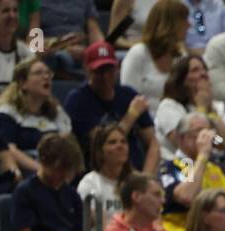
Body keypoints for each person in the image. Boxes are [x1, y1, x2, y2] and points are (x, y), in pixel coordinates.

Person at [65, 40, 160, 175]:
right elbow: (103, 143)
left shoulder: (128, 94)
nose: (104, 77)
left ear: (117, 69)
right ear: (87, 71)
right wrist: (131, 115)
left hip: (136, 173)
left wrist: (146, 176)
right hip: (100, 175)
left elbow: (153, 143)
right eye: (99, 71)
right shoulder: (78, 100)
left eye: (109, 70)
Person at [12, 133, 86, 231]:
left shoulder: (70, 193)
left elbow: (81, 230)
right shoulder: (26, 191)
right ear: (44, 162)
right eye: (59, 169)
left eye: (68, 169)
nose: (64, 175)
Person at [159, 113, 225, 231]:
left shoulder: (216, 168)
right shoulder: (173, 166)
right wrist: (203, 154)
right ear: (181, 138)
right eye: (199, 132)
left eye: (208, 131)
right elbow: (186, 196)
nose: (206, 137)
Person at [0, 58, 73, 186]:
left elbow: (67, 145)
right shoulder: (6, 114)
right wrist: (42, 170)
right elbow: (10, 150)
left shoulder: (57, 113)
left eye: (48, 73)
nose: (46, 77)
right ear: (23, 83)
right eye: (39, 73)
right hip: (27, 177)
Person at [153, 55, 225, 166]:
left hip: (211, 166)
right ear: (182, 79)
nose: (203, 73)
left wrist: (211, 113)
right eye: (195, 70)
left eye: (204, 69)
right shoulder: (169, 106)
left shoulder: (216, 107)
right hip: (180, 167)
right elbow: (187, 144)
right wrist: (201, 107)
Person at [121, 0, 189, 112]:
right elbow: (128, 100)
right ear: (169, 24)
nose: (189, 24)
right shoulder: (137, 54)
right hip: (143, 122)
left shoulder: (181, 57)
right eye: (184, 19)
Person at [77, 124, 131, 222]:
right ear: (99, 151)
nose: (120, 146)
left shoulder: (137, 182)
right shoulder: (90, 183)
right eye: (112, 142)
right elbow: (99, 226)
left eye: (123, 142)